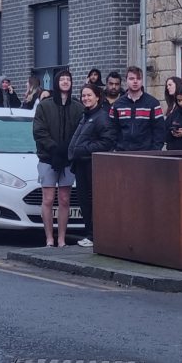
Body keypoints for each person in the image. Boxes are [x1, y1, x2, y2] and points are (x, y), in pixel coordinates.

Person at [32, 70, 82, 248]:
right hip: (48, 158)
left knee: (64, 199)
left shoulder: (77, 107)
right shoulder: (44, 106)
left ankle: (61, 239)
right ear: (56, 82)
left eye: (69, 79)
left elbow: (79, 130)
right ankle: (49, 238)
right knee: (48, 198)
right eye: (62, 79)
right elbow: (39, 131)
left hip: (68, 159)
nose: (66, 82)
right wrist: (54, 148)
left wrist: (67, 150)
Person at [68, 83, 118, 247]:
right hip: (81, 165)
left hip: (92, 165)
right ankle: (89, 233)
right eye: (83, 95)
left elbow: (107, 142)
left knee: (91, 200)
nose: (86, 98)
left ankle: (94, 235)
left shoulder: (101, 117)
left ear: (98, 97)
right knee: (84, 201)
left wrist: (84, 150)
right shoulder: (86, 116)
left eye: (89, 95)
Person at [111, 65, 165, 151]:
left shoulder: (153, 103)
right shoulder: (117, 105)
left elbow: (159, 129)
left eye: (138, 78)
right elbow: (111, 129)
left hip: (146, 154)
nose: (135, 81)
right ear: (126, 81)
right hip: (122, 154)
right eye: (132, 79)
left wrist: (155, 150)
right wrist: (116, 148)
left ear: (142, 80)